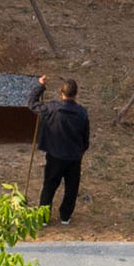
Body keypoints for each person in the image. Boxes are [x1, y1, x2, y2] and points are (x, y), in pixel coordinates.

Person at [33, 78, 91, 222]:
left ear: (61, 92)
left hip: (55, 156)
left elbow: (32, 104)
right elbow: (85, 136)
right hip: (74, 157)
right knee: (71, 188)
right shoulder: (82, 113)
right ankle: (65, 216)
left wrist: (40, 86)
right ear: (76, 93)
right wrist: (81, 150)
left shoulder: (51, 108)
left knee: (49, 186)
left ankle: (44, 217)